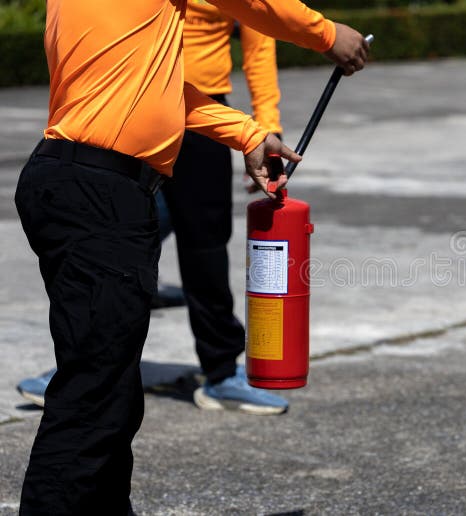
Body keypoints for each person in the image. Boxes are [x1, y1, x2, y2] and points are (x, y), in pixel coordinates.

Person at [13, 0, 369, 511]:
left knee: (111, 395)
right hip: (100, 193)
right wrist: (327, 34)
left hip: (70, 183)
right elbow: (256, 5)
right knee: (92, 398)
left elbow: (157, 89)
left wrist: (246, 133)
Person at [17, 0, 292, 416]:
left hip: (205, 109)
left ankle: (220, 373)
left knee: (205, 241)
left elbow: (260, 43)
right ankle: (77, 372)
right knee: (108, 235)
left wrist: (264, 127)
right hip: (131, 99)